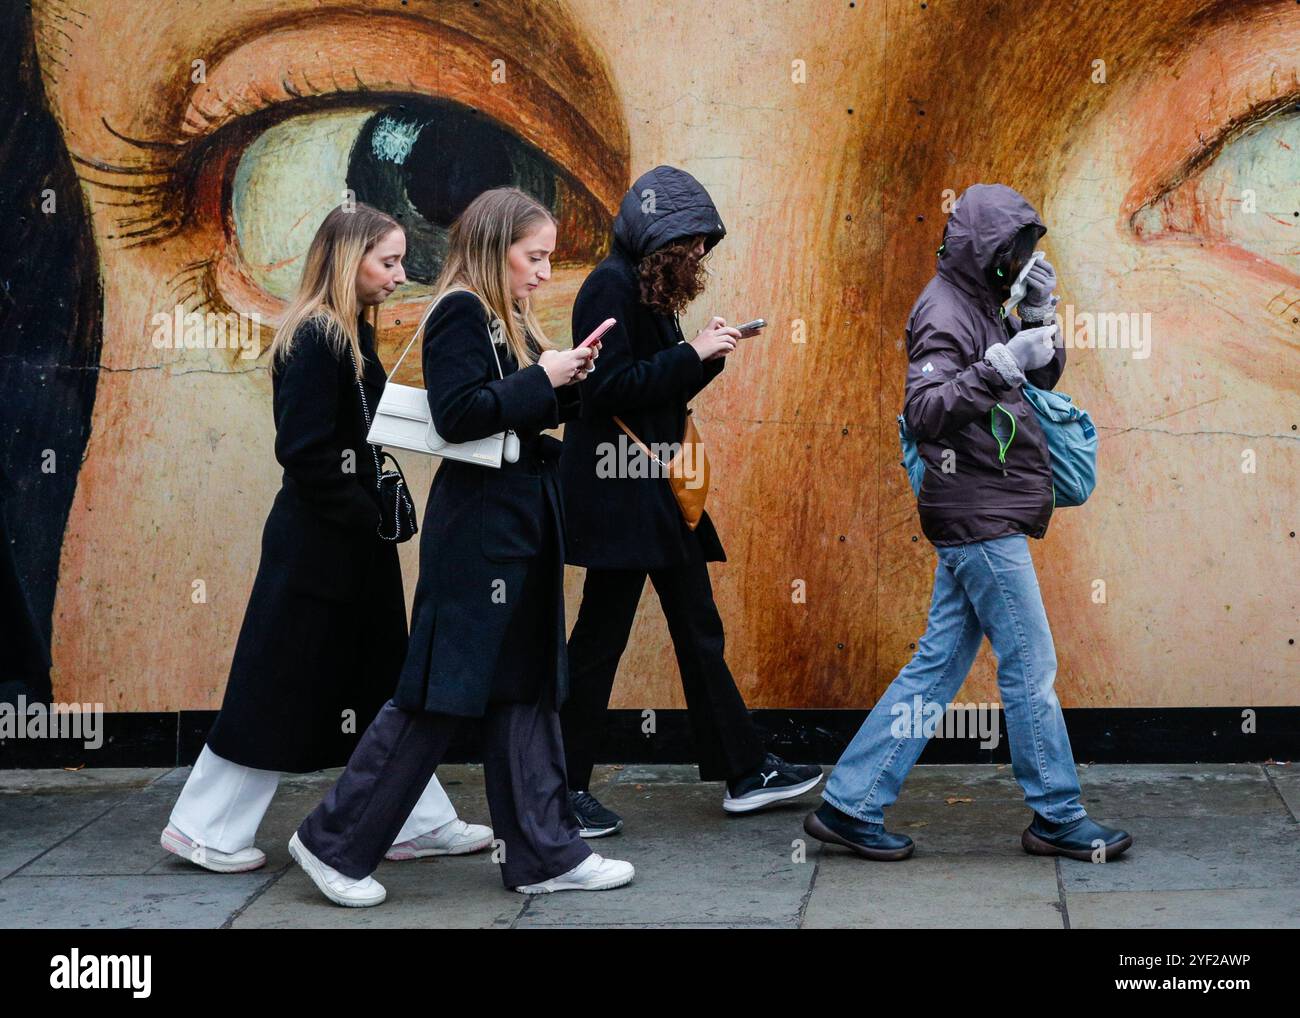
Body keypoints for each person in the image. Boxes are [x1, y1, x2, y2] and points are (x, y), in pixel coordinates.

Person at [289, 187, 634, 907]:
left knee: (526, 687)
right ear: (493, 246)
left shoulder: (500, 313)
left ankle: (545, 852)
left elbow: (512, 408)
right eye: (533, 256)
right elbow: (458, 414)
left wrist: (569, 380)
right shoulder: (459, 311)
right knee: (439, 694)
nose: (543, 271)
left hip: (513, 519)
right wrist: (545, 376)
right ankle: (333, 842)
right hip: (481, 528)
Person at [805, 183, 1133, 862]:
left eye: (1024, 254)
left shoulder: (982, 302)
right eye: (1011, 252)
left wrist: (1037, 317)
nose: (1017, 263)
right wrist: (1003, 361)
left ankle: (850, 802)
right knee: (1030, 665)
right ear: (985, 248)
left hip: (981, 506)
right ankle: (1058, 816)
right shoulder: (943, 311)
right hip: (978, 515)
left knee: (938, 665)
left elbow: (1029, 385)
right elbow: (927, 409)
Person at [162, 204, 490, 873]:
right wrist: (369, 514)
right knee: (274, 685)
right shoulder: (317, 336)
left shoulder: (346, 331)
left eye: (401, 261)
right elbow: (306, 452)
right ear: (348, 259)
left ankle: (409, 820)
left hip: (345, 548)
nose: (401, 275)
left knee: (381, 685)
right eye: (388, 261)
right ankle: (201, 828)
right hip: (316, 551)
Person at [558, 165, 824, 838]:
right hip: (623, 496)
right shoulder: (609, 288)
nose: (702, 252)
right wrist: (693, 352)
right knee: (599, 643)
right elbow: (603, 393)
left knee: (694, 631)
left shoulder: (643, 289)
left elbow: (656, 396)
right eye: (695, 240)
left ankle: (742, 771)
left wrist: (708, 356)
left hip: (651, 492)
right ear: (662, 236)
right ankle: (558, 788)